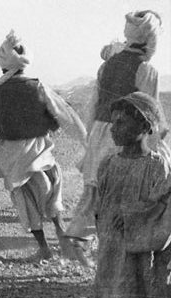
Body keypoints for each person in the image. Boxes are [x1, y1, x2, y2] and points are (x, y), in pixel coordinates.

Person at [0, 31, 87, 260]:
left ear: (2, 65)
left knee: (26, 200)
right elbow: (65, 114)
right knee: (50, 193)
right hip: (41, 149)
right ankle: (62, 233)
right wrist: (84, 137)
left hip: (13, 153)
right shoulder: (39, 86)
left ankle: (44, 248)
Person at [78, 92, 171, 298]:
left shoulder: (157, 167)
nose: (114, 128)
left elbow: (161, 212)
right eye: (113, 121)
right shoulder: (108, 163)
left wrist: (130, 218)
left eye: (121, 122)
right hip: (110, 254)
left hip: (140, 258)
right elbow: (99, 205)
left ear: (144, 126)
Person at [65, 11, 166, 265]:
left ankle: (80, 237)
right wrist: (154, 146)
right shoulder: (146, 69)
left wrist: (91, 135)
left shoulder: (108, 64)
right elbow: (148, 111)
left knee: (96, 188)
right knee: (127, 191)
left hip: (103, 129)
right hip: (126, 134)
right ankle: (115, 249)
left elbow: (96, 101)